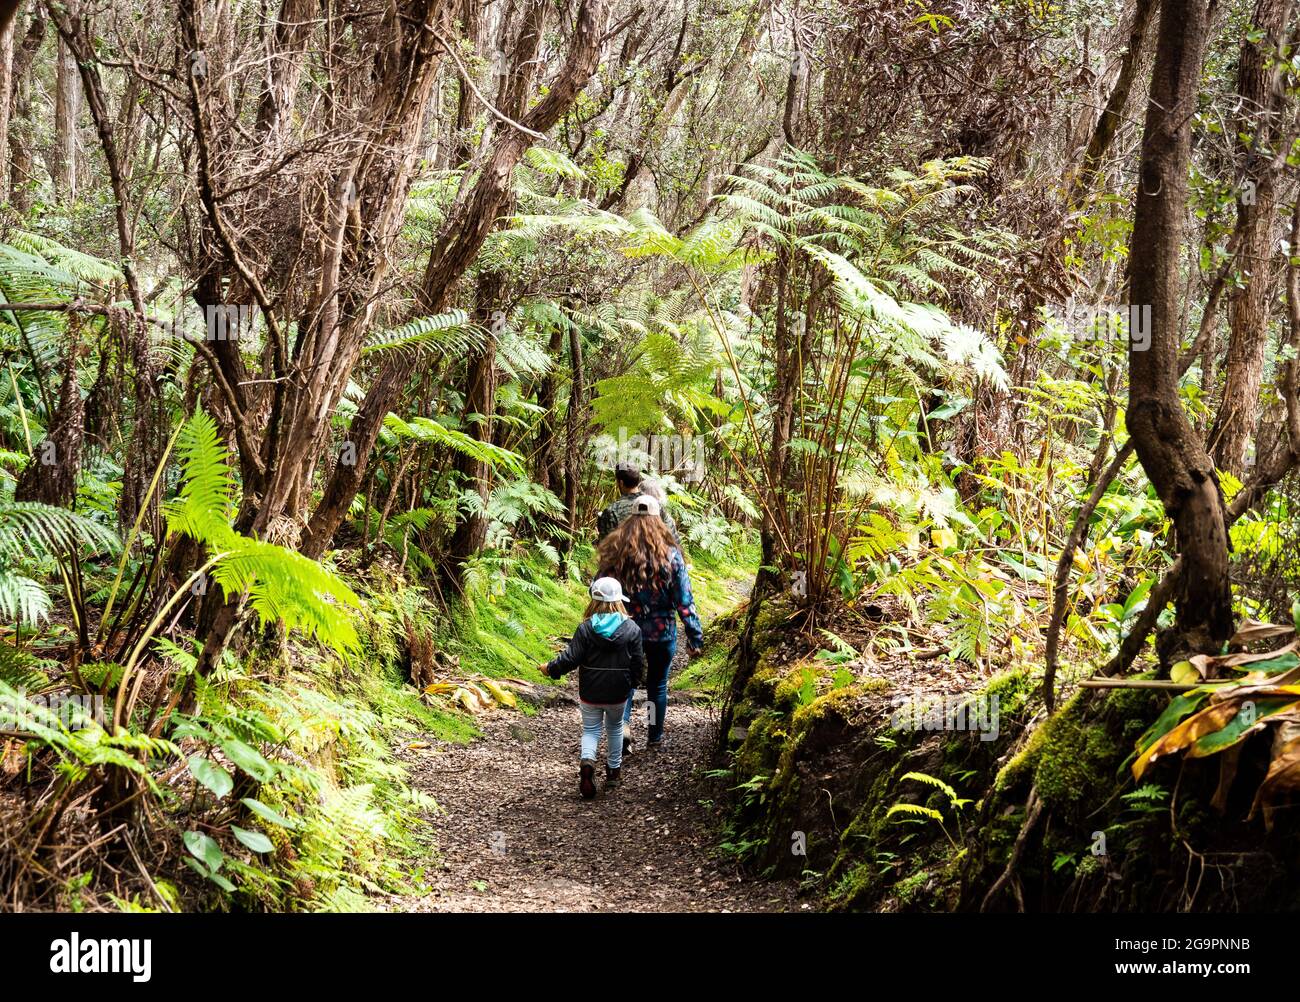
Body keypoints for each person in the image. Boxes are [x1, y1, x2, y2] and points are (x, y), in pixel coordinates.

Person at [597, 495, 703, 755]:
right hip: (661, 632)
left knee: (627, 683)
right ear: (658, 520)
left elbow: (600, 589)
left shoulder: (617, 552)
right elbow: (684, 599)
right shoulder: (672, 556)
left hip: (625, 629)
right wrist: (694, 635)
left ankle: (622, 728)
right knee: (657, 685)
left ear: (631, 519)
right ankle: (654, 735)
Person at [541, 577, 646, 799]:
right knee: (615, 727)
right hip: (618, 692)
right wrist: (633, 684)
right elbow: (638, 663)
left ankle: (588, 762)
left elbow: (569, 659)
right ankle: (613, 774)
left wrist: (550, 669)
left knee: (591, 730)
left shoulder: (586, 629)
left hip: (590, 691)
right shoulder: (632, 628)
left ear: (593, 601)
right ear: (619, 601)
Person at [596, 462, 679, 543]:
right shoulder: (654, 504)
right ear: (638, 481)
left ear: (621, 483)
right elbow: (674, 539)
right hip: (657, 555)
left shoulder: (612, 511)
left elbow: (607, 549)